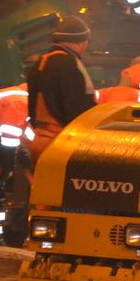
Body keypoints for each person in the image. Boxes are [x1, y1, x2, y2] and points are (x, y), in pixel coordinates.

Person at [24, 17, 97, 168]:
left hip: (39, 143)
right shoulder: (71, 65)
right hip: (62, 144)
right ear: (81, 41)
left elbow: (32, 107)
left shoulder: (40, 64)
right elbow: (78, 109)